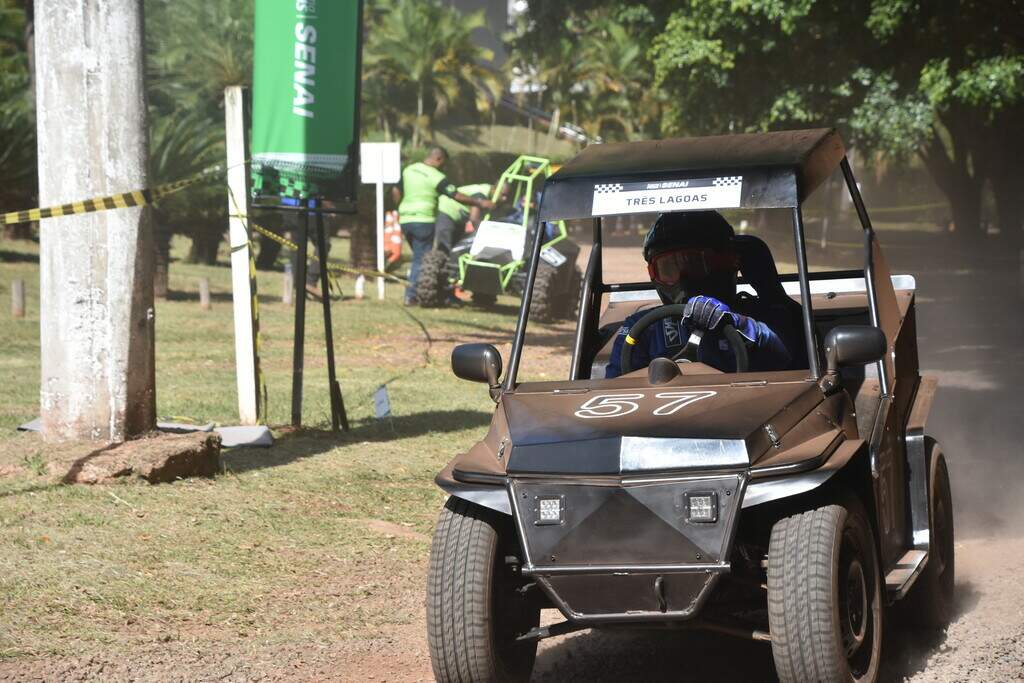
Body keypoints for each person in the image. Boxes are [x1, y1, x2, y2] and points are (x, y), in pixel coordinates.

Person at [605, 210, 796, 378]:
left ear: (728, 262)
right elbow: (616, 389)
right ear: (654, 274)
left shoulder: (763, 316)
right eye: (669, 268)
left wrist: (739, 324)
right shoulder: (642, 327)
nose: (684, 278)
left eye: (695, 264)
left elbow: (791, 355)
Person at [391, 147, 493, 305]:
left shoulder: (410, 170)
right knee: (422, 259)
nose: (444, 167)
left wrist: (399, 207)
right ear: (439, 159)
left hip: (405, 219)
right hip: (424, 220)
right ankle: (411, 296)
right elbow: (456, 195)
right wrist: (479, 202)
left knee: (418, 257)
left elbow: (396, 190)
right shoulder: (436, 176)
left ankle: (425, 292)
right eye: (444, 163)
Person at [436, 182, 492, 253]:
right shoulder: (481, 194)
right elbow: (474, 219)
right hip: (446, 210)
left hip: (458, 216)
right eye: (503, 195)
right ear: (494, 189)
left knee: (456, 245)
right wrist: (485, 235)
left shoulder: (487, 191)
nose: (504, 199)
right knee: (444, 247)